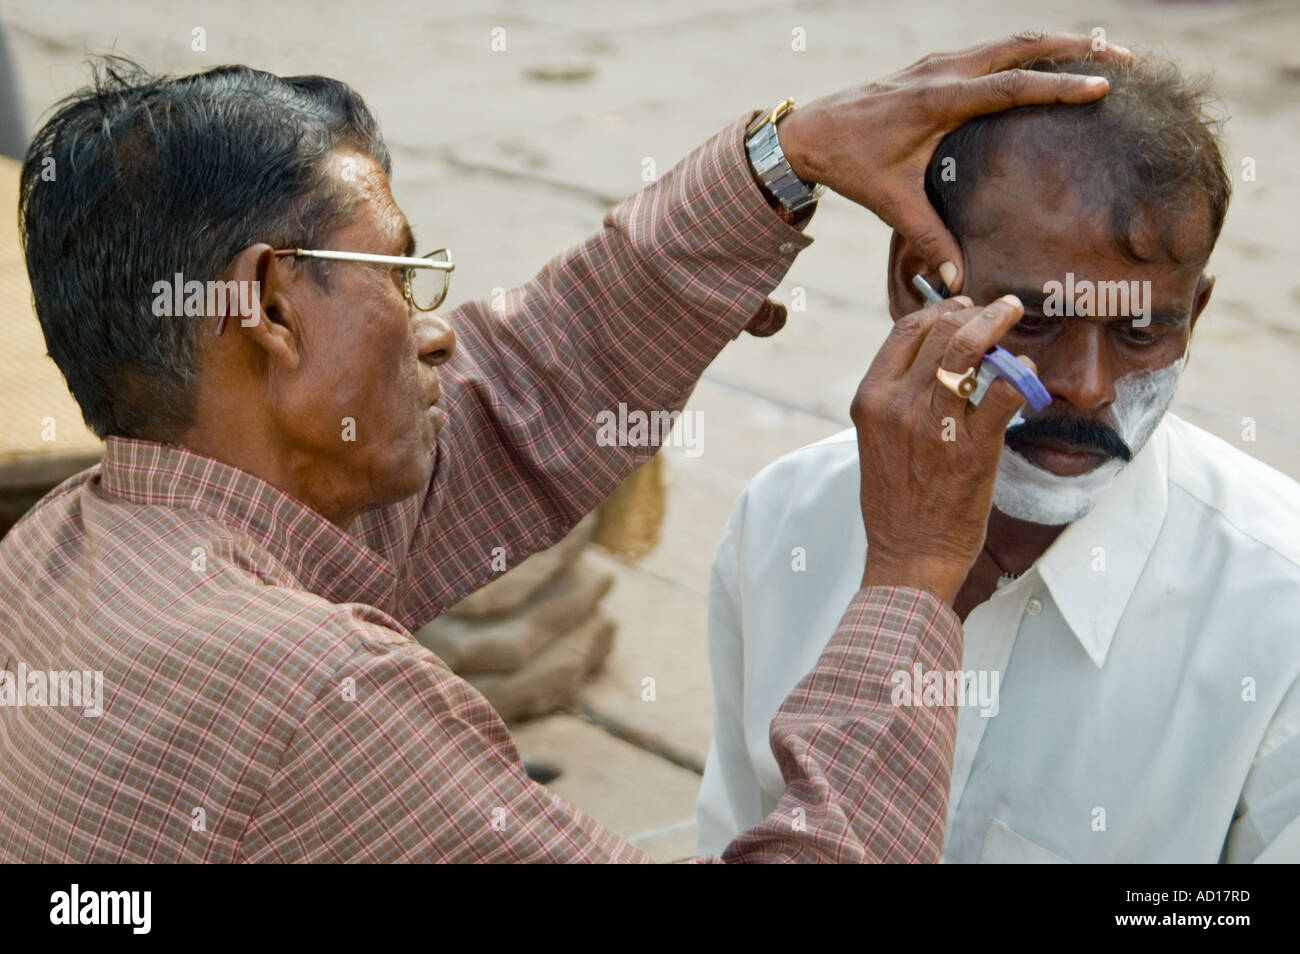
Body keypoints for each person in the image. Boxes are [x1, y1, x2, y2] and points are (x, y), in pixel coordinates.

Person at [0, 33, 1127, 863]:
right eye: (404, 275)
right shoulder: (320, 698)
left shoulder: (59, 554)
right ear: (272, 308)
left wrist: (778, 164)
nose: (434, 327)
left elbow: (522, 391)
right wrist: (914, 573)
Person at [696, 53, 1300, 863]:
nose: (1085, 389)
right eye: (1034, 321)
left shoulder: (1277, 605)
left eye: (1141, 331)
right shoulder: (784, 521)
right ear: (920, 285)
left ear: (1196, 313)